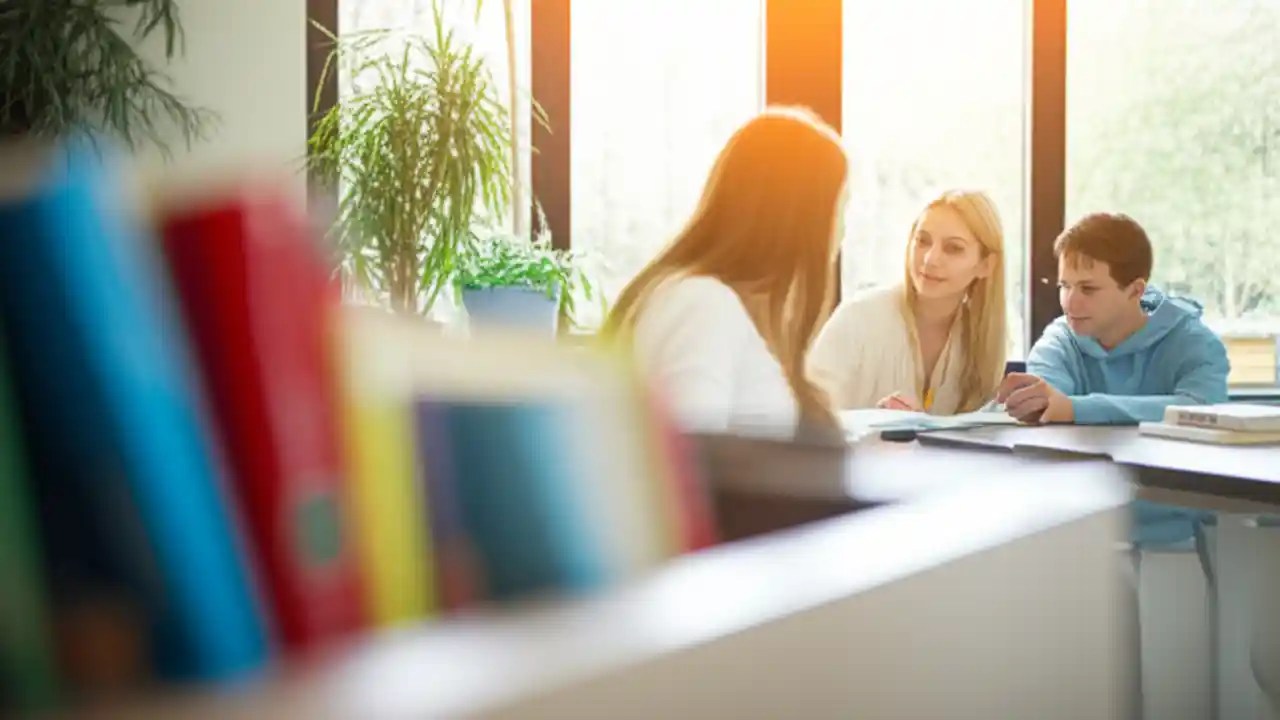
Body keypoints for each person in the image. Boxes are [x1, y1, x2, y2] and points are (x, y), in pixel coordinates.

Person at [603, 106, 847, 436]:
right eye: (840, 208)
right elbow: (692, 459)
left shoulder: (709, 302)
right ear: (800, 218)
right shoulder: (702, 303)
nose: (842, 230)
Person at [997, 212, 1229, 425]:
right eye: (1065, 286)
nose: (1069, 302)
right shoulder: (1059, 341)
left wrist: (1074, 409)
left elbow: (1204, 411)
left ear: (1136, 291)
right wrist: (1031, 404)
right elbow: (1046, 401)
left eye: (1088, 289)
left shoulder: (1195, 344)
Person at [808, 189, 1007, 414]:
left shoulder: (984, 339)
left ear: (986, 265)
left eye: (953, 248)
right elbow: (808, 420)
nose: (930, 259)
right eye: (922, 241)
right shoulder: (857, 318)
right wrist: (872, 423)